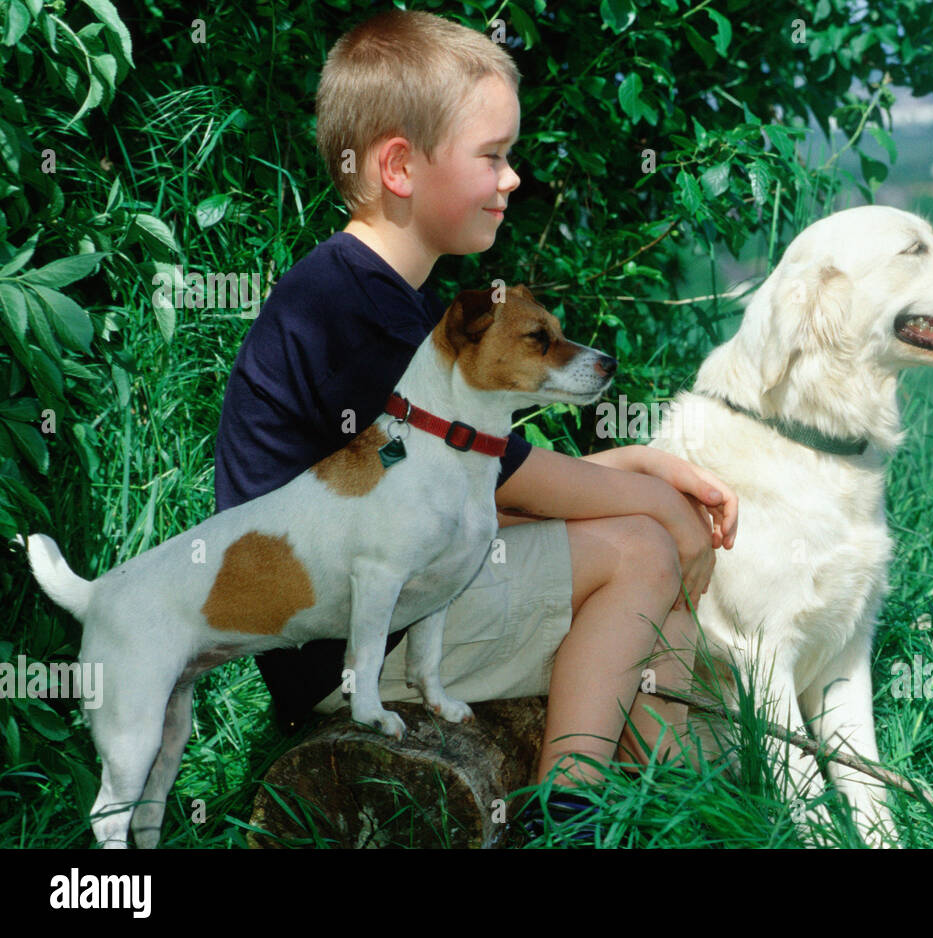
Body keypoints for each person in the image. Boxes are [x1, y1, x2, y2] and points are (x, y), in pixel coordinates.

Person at [213, 9, 738, 838]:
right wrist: (662, 506)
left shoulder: (386, 298)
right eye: (492, 157)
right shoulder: (356, 313)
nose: (512, 179)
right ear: (399, 166)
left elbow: (485, 482)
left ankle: (697, 815)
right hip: (350, 633)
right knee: (639, 552)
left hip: (394, 598)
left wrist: (639, 462)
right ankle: (565, 817)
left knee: (659, 622)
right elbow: (508, 480)